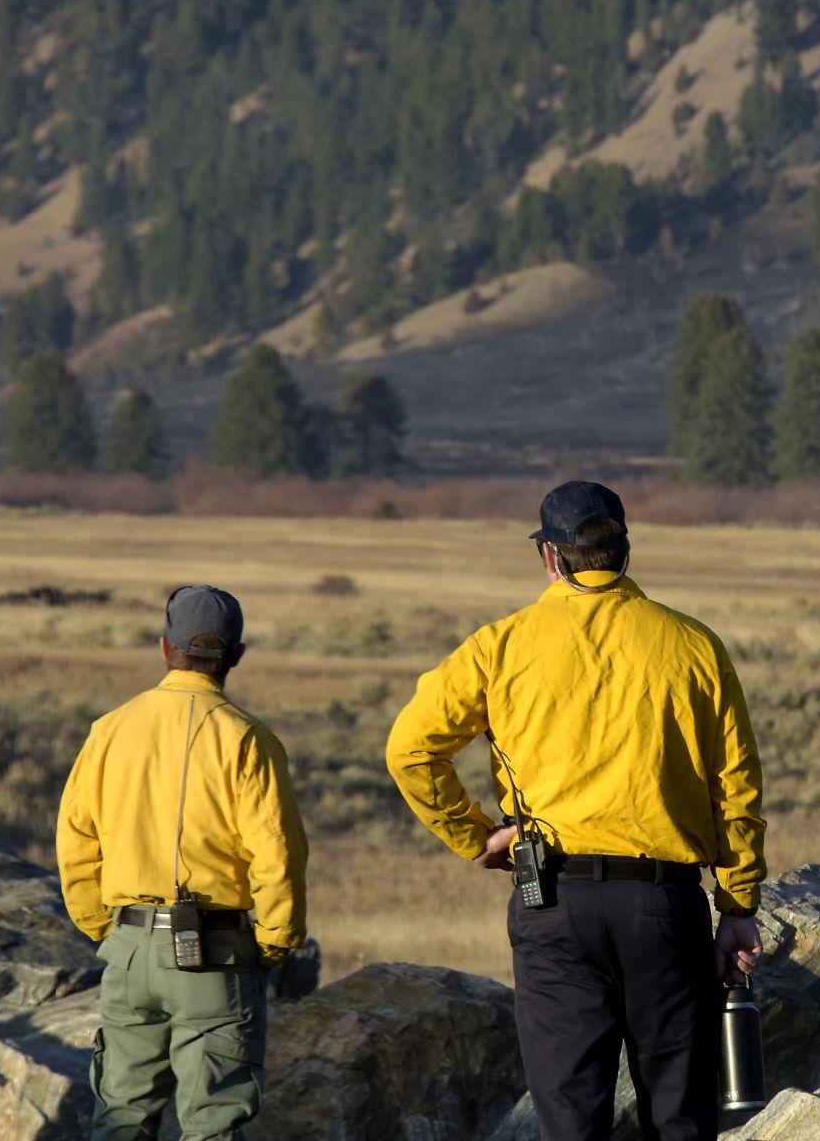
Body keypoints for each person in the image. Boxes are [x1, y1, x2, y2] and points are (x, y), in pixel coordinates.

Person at [385, 480, 766, 1141]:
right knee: (680, 1118)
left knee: (569, 1117)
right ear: (624, 549)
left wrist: (478, 836)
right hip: (663, 907)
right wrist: (737, 904)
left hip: (551, 902)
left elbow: (410, 752)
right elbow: (735, 787)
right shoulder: (694, 647)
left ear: (551, 558)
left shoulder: (501, 645)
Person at [56, 584, 308, 1141]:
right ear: (236, 656)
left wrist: (108, 931)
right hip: (216, 955)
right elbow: (277, 856)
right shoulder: (247, 739)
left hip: (127, 947)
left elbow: (75, 842)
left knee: (119, 1117)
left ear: (165, 649)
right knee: (213, 1123)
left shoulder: (109, 730)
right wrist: (270, 943)